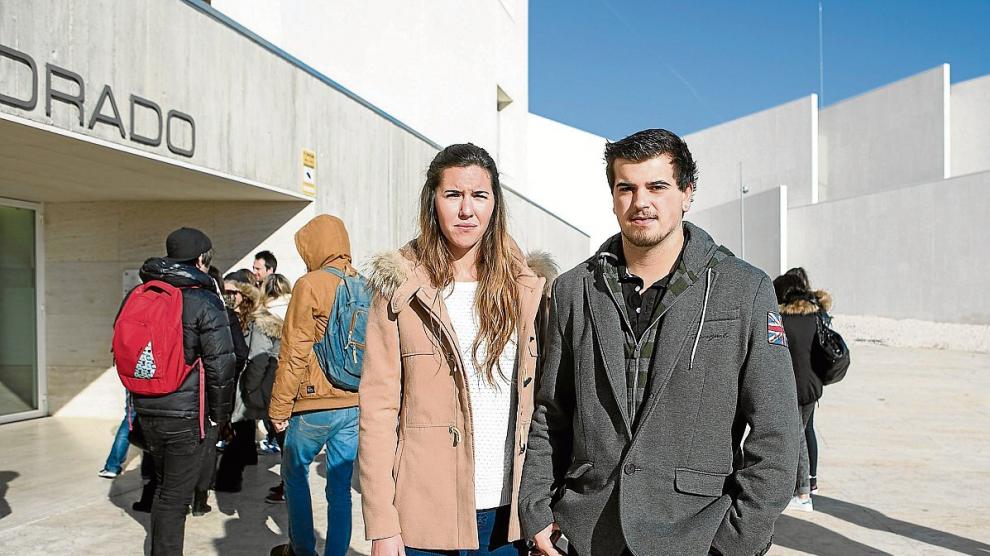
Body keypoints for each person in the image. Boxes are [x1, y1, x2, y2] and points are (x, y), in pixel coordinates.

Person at [519, 129, 801, 556]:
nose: (641, 202)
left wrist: (735, 542)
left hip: (698, 536)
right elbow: (550, 413)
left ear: (687, 192)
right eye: (626, 188)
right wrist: (537, 509)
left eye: (657, 186)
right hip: (589, 533)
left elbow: (777, 431)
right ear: (613, 196)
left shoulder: (744, 289)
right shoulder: (574, 290)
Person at [360, 143, 556, 556]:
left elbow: (546, 407)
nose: (466, 210)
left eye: (479, 195)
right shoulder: (400, 287)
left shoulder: (528, 288)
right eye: (453, 195)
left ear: (494, 204)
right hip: (423, 519)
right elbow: (377, 411)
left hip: (510, 519)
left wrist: (544, 507)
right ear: (433, 200)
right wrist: (381, 524)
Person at [132, 227, 236, 554]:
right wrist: (220, 417)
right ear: (202, 259)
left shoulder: (143, 293)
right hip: (186, 415)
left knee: (165, 488)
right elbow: (222, 366)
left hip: (147, 406)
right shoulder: (205, 300)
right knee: (175, 498)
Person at [268, 215, 361, 556]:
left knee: (294, 473)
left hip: (312, 406)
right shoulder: (364, 285)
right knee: (339, 487)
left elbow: (293, 353)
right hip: (353, 404)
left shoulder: (310, 284)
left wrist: (279, 409)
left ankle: (302, 549)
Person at [774, 268, 833, 511]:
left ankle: (802, 495)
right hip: (813, 386)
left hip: (792, 388)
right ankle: (809, 483)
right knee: (804, 432)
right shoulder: (816, 317)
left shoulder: (782, 320)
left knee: (795, 437)